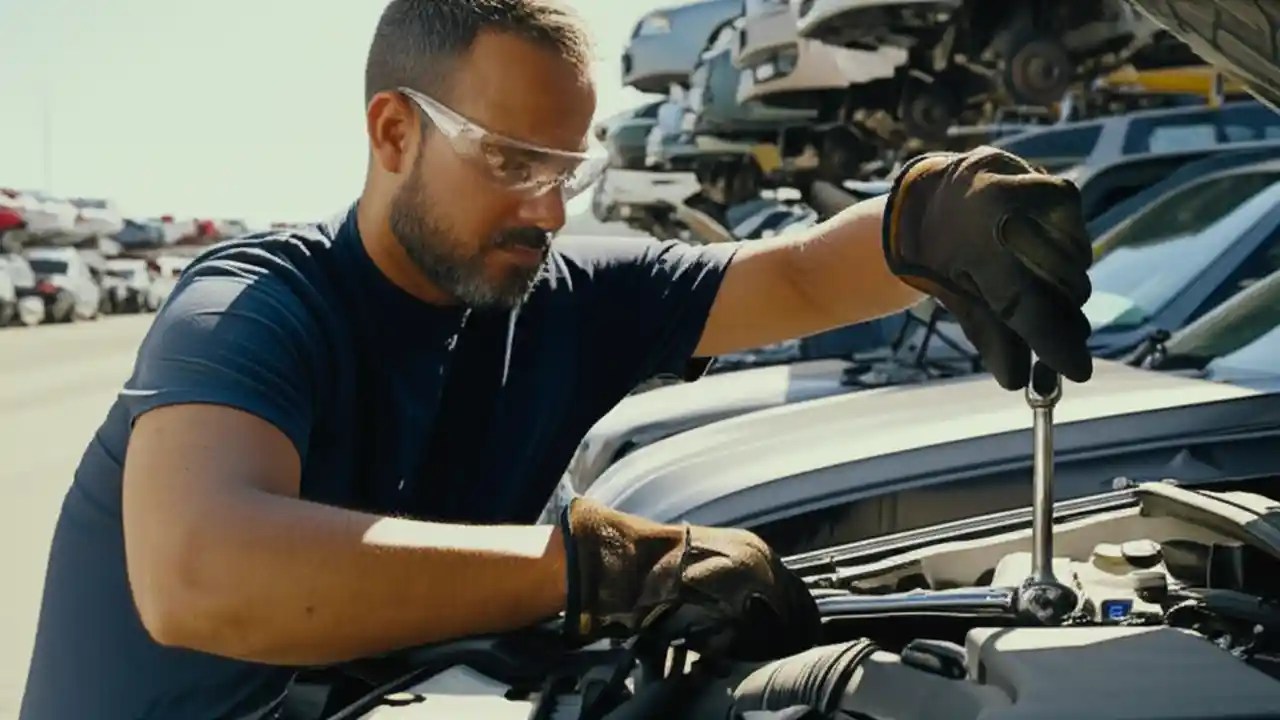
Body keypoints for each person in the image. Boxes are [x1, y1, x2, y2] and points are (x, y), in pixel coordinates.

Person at [19, 1, 1094, 718]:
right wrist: (608, 569)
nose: (547, 209)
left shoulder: (560, 296)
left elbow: (802, 278)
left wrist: (928, 215)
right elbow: (199, 577)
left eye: (565, 171)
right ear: (392, 133)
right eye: (509, 161)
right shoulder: (257, 308)